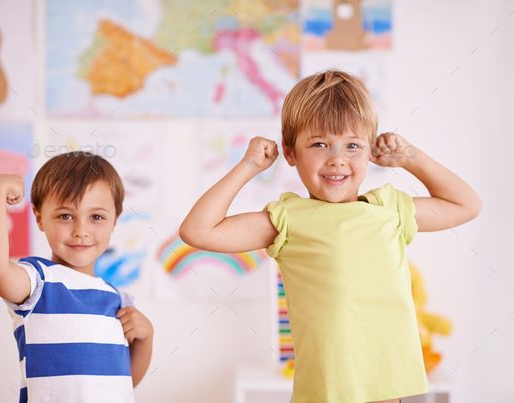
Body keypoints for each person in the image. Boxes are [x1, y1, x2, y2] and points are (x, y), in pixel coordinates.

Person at [179, 70, 481, 403]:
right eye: (320, 144)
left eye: (353, 146)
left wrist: (411, 158)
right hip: (324, 391)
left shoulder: (388, 209)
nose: (337, 159)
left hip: (391, 388)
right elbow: (198, 231)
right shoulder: (286, 218)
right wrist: (248, 166)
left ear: (369, 152)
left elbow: (466, 205)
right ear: (291, 153)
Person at [0, 152, 153, 403]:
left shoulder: (118, 298)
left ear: (114, 221)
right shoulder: (38, 282)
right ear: (39, 218)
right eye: (65, 216)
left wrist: (146, 339)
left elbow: (121, 384)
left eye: (96, 217)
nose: (81, 231)